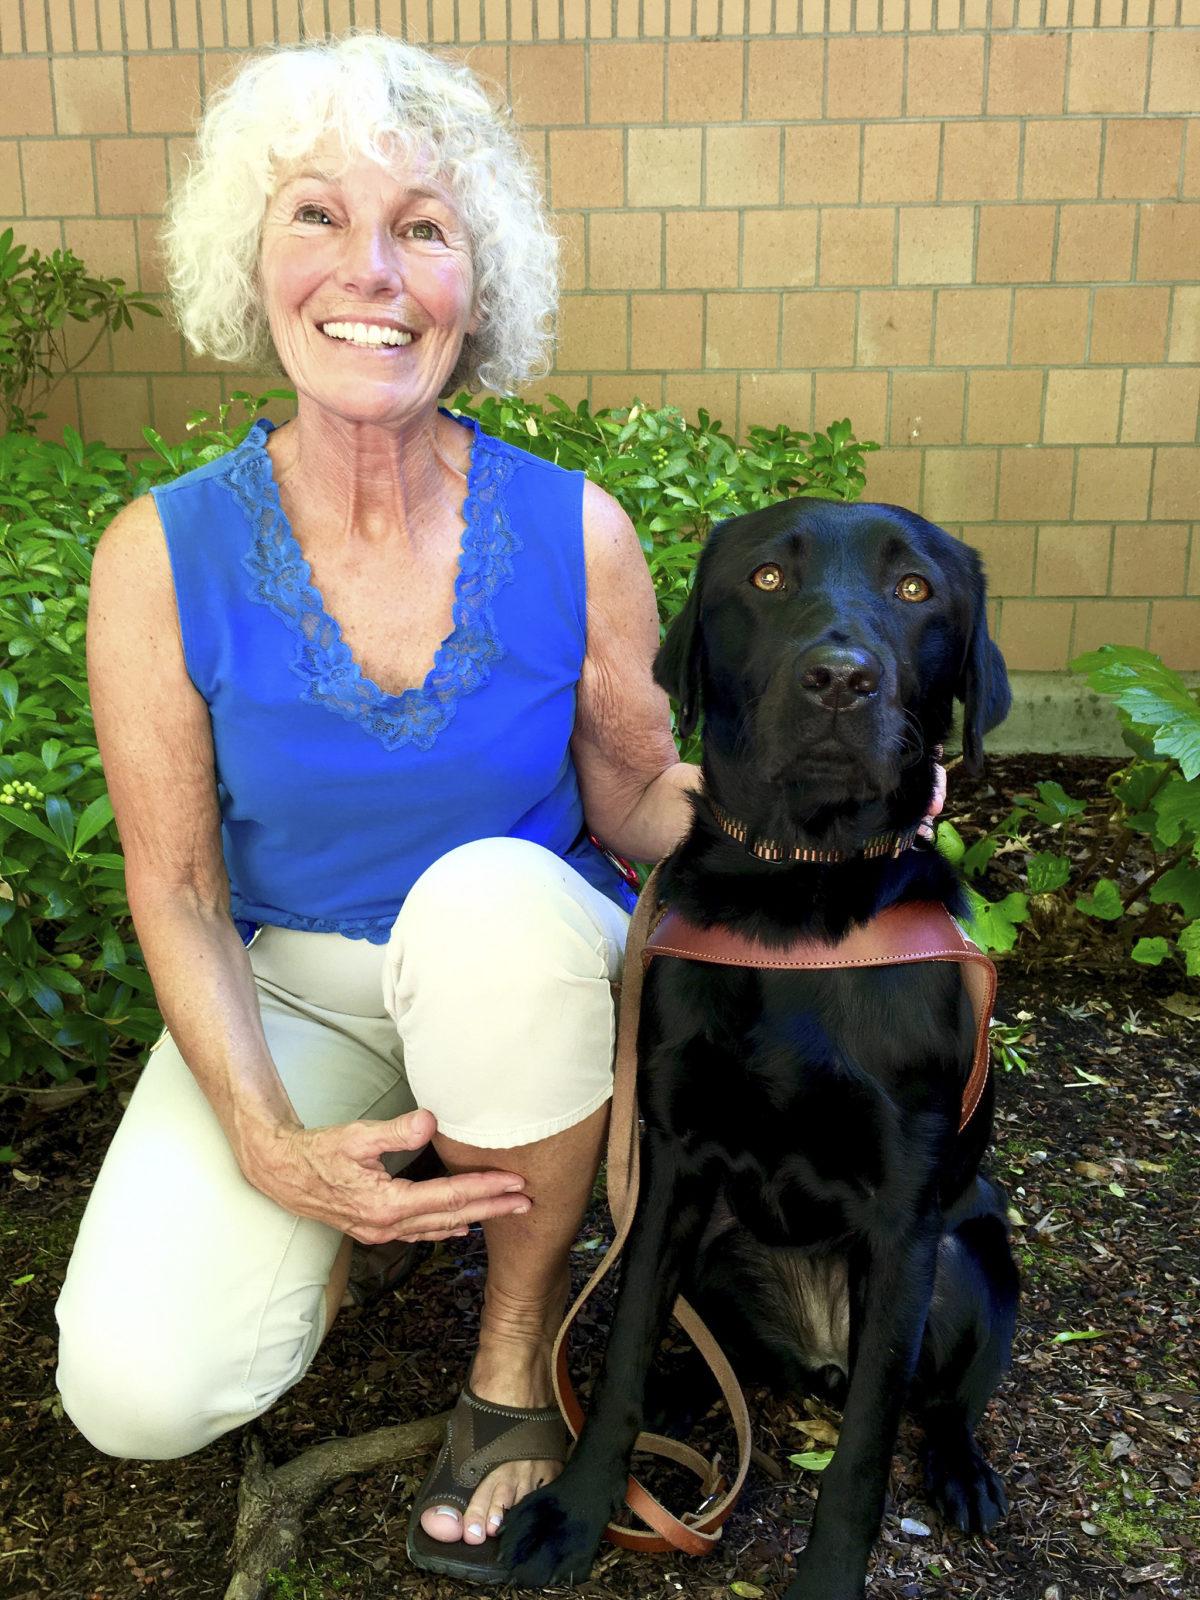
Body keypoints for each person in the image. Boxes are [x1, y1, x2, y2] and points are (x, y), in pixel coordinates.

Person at [54, 30, 945, 1586]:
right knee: (137, 1394)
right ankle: (329, 1223)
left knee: (484, 901)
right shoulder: (159, 553)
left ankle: (513, 1365)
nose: (371, 272)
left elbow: (635, 805)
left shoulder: (571, 528)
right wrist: (266, 1142)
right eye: (317, 216)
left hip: (524, 949)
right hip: (298, 978)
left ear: (481, 280)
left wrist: (831, 810)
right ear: (249, 260)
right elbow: (181, 888)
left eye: (425, 226)